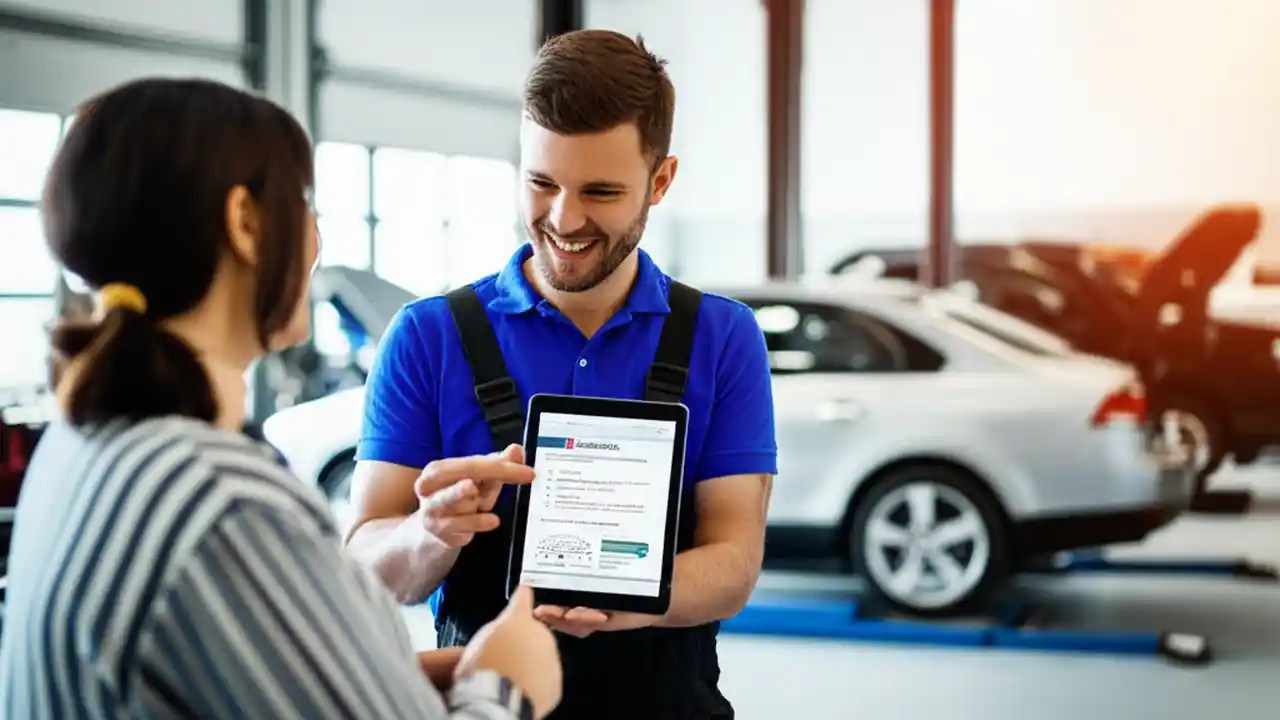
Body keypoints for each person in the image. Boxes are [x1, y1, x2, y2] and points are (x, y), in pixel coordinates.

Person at [0, 77, 562, 720]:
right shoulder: (222, 501)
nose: (318, 240)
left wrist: (436, 671)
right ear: (244, 221)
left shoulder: (85, 442)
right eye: (304, 203)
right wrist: (508, 688)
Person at [348, 29, 778, 719]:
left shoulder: (723, 338)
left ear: (660, 181)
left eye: (601, 192)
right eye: (541, 183)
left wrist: (627, 595)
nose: (564, 219)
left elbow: (734, 560)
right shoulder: (428, 336)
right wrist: (429, 532)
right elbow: (368, 563)